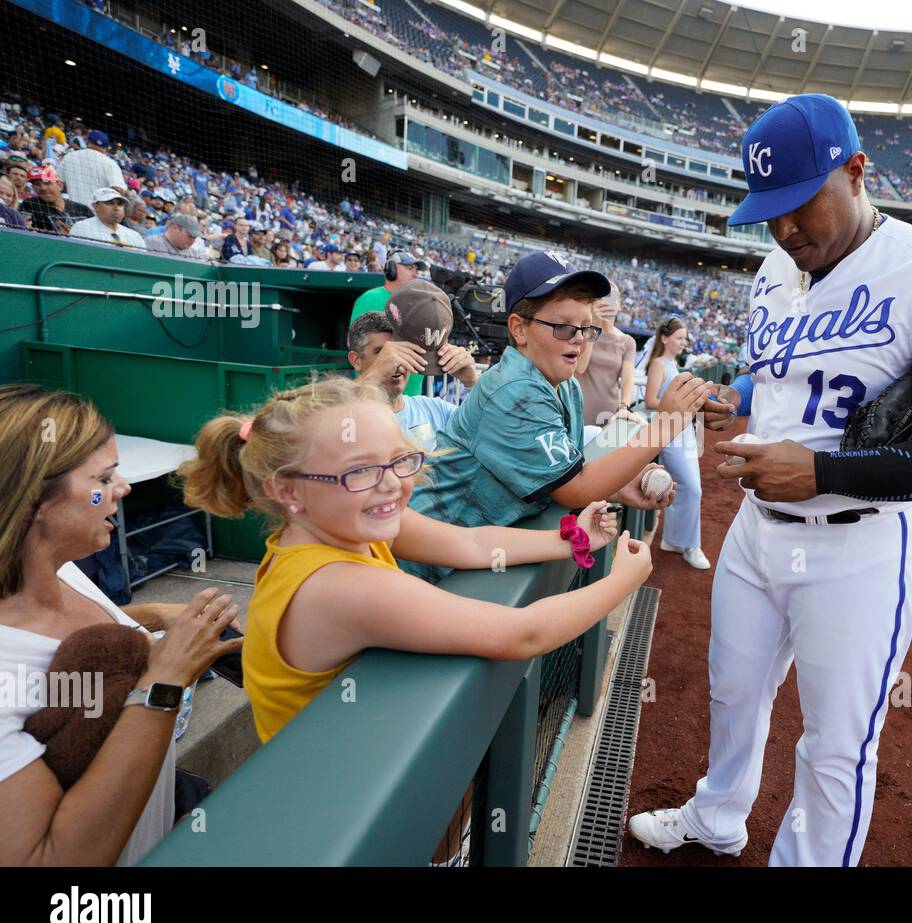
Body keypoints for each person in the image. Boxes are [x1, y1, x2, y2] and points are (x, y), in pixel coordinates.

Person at [628, 94, 912, 867]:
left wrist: (825, 471)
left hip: (862, 544)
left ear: (856, 170)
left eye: (800, 204)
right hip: (754, 532)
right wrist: (733, 399)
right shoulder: (777, 266)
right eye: (768, 210)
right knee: (733, 697)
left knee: (835, 748)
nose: (783, 228)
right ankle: (717, 819)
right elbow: (781, 374)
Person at [178, 376, 650, 744]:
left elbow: (469, 546)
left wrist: (570, 539)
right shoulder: (336, 586)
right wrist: (623, 581)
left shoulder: (341, 522)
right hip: (342, 807)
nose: (391, 485)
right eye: (360, 470)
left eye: (400, 460)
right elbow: (520, 633)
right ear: (286, 490)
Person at [0, 385, 241, 866]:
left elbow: (59, 638)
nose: (124, 488)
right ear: (34, 501)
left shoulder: (59, 569)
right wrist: (165, 681)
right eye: (104, 477)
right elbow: (49, 862)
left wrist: (150, 616)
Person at [400, 252, 720, 585]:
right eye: (564, 327)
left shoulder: (564, 384)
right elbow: (574, 490)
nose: (579, 339)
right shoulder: (516, 389)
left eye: (585, 328)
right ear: (520, 329)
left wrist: (620, 488)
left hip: (461, 554)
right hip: (420, 564)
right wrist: (664, 427)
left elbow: (565, 471)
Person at [347, 310, 479, 452]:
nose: (395, 361)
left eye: (404, 350)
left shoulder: (434, 410)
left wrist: (473, 382)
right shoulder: (345, 417)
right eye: (383, 353)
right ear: (356, 361)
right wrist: (377, 374)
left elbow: (493, 432)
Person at [644, 318, 709, 570]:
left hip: (684, 431)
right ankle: (691, 545)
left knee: (688, 488)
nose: (684, 342)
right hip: (671, 433)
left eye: (685, 338)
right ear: (664, 338)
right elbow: (650, 400)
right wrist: (682, 403)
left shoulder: (672, 364)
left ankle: (673, 540)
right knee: (692, 489)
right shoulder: (659, 364)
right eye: (680, 337)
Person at [351, 251, 424, 396]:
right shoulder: (370, 298)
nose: (415, 274)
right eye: (410, 268)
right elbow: (356, 343)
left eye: (416, 270)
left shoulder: (416, 302)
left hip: (410, 395)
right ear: (391, 270)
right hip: (376, 394)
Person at [574, 282, 641, 428]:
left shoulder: (627, 342)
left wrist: (624, 406)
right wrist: (594, 325)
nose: (606, 303)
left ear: (619, 305)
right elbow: (579, 367)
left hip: (608, 414)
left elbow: (627, 380)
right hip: (578, 409)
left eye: (612, 297)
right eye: (602, 298)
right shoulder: (582, 332)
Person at [56, 130, 126, 207]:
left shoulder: (69, 157)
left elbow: (57, 183)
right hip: (98, 214)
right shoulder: (110, 164)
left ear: (87, 142)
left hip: (73, 212)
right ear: (106, 148)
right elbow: (119, 190)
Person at [20, 166, 92, 236]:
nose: (43, 188)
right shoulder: (29, 205)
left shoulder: (82, 210)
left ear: (60, 185)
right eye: (37, 184)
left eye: (47, 183)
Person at [68, 188, 146, 248]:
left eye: (120, 204)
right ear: (95, 206)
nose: (116, 208)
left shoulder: (134, 235)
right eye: (109, 203)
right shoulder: (82, 228)